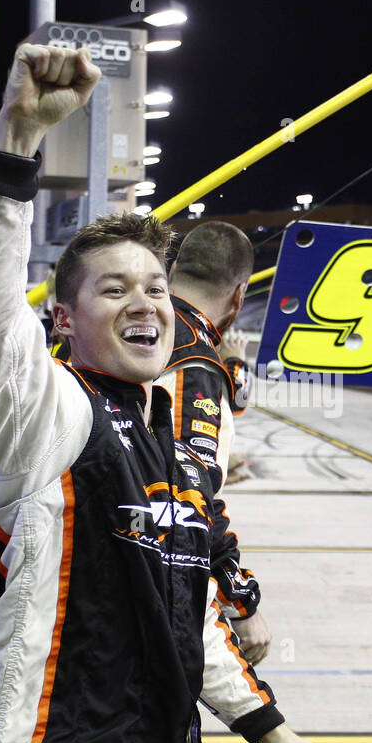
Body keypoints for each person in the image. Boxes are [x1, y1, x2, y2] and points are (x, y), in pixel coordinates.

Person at [0, 42, 331, 743]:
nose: (144, 301)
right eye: (113, 289)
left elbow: (189, 609)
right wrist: (14, 142)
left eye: (154, 285)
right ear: (64, 320)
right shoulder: (44, 416)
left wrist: (270, 729)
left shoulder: (171, 443)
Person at [156, 222, 271, 663]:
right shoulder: (193, 357)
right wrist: (241, 601)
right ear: (239, 296)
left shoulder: (139, 324)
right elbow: (188, 490)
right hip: (149, 577)